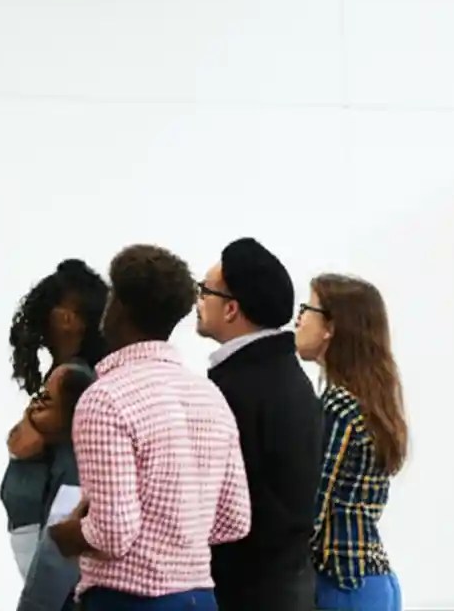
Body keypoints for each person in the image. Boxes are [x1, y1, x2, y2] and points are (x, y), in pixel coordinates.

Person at [47, 243, 251, 611]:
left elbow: (112, 533)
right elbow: (234, 520)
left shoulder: (105, 399)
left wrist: (67, 535)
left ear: (119, 307)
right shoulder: (209, 396)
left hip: (127, 599)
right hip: (199, 597)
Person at [195, 238, 323, 611]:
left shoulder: (239, 387)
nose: (197, 301)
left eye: (205, 291)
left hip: (248, 590)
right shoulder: (284, 373)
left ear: (232, 309)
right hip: (285, 584)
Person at [0, 260, 109, 611]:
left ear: (67, 319)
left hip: (52, 529)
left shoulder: (70, 376)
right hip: (56, 527)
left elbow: (23, 442)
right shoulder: (93, 373)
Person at [295, 273, 408, 611]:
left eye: (308, 309)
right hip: (371, 579)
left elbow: (314, 506)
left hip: (342, 585)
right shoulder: (367, 401)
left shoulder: (339, 406)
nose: (297, 319)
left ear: (331, 327)